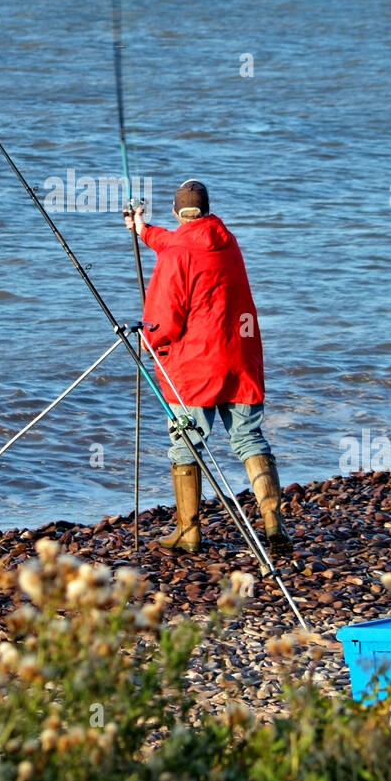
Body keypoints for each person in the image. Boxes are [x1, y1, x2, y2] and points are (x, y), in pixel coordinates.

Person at [124, 179, 292, 557]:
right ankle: (273, 522)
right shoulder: (226, 241)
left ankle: (189, 530)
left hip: (195, 367)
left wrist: (147, 342)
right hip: (238, 360)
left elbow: (162, 321)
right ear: (208, 210)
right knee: (249, 438)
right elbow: (183, 244)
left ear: (174, 211)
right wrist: (144, 231)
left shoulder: (177, 255)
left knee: (187, 442)